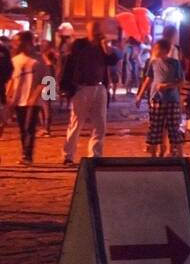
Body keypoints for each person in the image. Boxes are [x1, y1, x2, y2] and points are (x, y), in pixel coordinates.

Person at [59, 19, 119, 165]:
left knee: (100, 124)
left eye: (99, 29)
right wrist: (65, 87)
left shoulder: (103, 46)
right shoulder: (79, 45)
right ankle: (68, 155)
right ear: (88, 30)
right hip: (81, 87)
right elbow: (69, 65)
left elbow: (113, 60)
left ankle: (95, 155)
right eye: (94, 29)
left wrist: (105, 46)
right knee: (76, 123)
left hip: (99, 87)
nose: (97, 32)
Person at [5, 32, 49, 165]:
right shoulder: (15, 60)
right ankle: (25, 152)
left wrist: (37, 95)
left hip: (33, 100)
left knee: (29, 127)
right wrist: (8, 96)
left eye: (19, 41)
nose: (17, 44)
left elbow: (47, 79)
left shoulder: (39, 60)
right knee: (22, 128)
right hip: (18, 99)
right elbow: (11, 80)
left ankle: (27, 156)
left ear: (28, 42)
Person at [136, 39, 185, 157]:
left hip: (172, 100)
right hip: (156, 99)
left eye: (157, 48)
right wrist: (140, 95)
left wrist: (167, 85)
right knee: (155, 127)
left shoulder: (175, 63)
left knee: (173, 127)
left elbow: (181, 82)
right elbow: (148, 79)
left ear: (165, 50)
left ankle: (179, 155)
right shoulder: (153, 63)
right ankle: (153, 155)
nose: (155, 50)